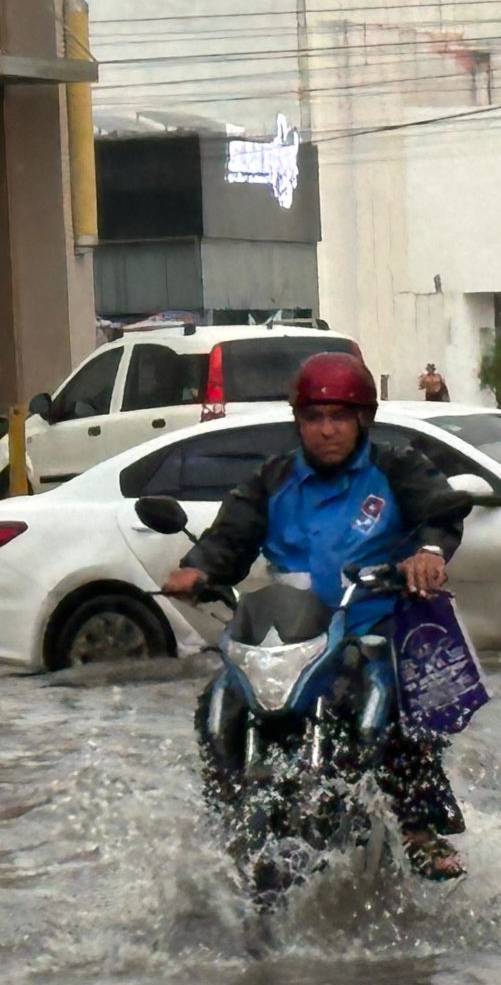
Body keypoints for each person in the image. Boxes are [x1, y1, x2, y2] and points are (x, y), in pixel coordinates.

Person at [162, 352, 474, 879]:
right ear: (298, 422)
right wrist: (197, 570)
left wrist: (427, 554)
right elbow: (230, 538)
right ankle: (226, 817)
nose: (326, 430)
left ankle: (418, 827)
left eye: (339, 417)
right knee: (218, 699)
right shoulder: (272, 478)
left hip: (371, 629)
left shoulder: (395, 466)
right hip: (292, 638)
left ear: (362, 420)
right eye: (314, 418)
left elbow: (439, 512)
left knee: (393, 698)